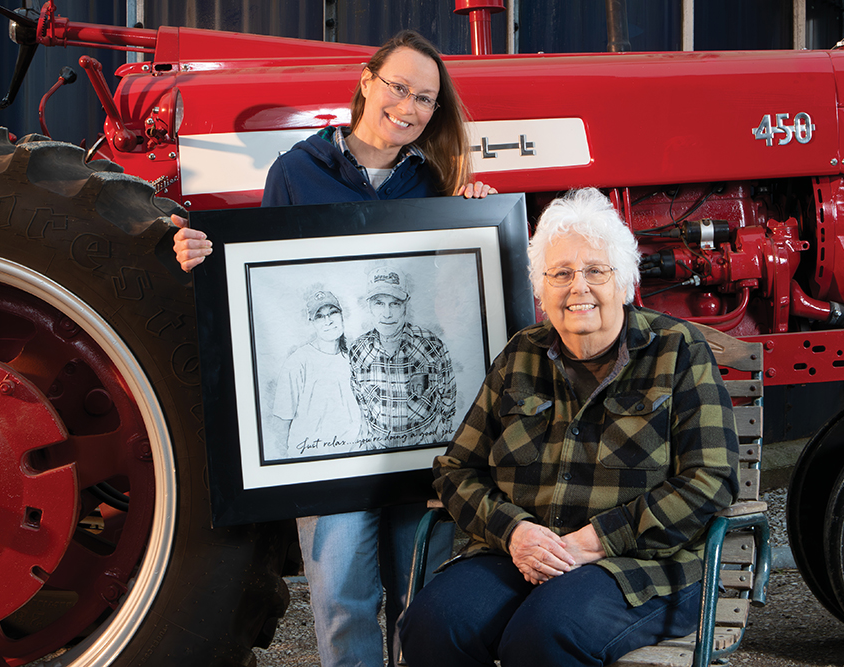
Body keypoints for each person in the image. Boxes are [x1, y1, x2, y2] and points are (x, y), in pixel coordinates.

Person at [173, 29, 495, 667]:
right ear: (367, 83)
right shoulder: (297, 170)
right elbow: (269, 291)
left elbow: (454, 303)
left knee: (419, 594)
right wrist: (205, 257)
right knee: (342, 598)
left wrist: (480, 223)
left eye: (426, 99)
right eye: (398, 87)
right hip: (332, 438)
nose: (408, 106)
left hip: (415, 440)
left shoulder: (438, 184)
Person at [398, 187, 740, 667]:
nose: (578, 286)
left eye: (596, 271)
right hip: (520, 556)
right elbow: (457, 469)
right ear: (542, 290)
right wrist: (515, 533)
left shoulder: (675, 349)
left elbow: (711, 480)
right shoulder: (522, 354)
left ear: (624, 282)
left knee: (545, 635)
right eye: (560, 273)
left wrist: (595, 540)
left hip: (639, 565)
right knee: (433, 625)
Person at [350, 265, 456, 449]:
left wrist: (438, 442)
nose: (387, 313)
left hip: (425, 447)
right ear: (369, 306)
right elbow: (362, 402)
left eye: (395, 303)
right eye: (379, 303)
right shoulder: (358, 350)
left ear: (406, 304)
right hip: (377, 449)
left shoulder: (432, 346)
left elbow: (448, 396)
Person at [270, 289, 363, 459]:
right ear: (312, 322)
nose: (328, 321)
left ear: (342, 315)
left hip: (350, 458)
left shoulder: (352, 359)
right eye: (319, 316)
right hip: (309, 457)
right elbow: (281, 422)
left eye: (332, 313)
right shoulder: (298, 361)